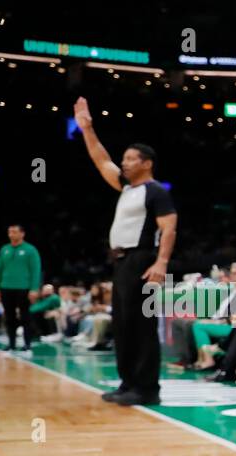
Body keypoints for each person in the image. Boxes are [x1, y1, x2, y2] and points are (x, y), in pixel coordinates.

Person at [74, 97, 177, 406]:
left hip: (143, 260)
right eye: (125, 158)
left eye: (131, 159)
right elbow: (100, 160)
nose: (125, 162)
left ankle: (147, 389)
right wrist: (87, 130)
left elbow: (170, 228)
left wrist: (161, 262)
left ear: (146, 163)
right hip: (122, 261)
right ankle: (128, 383)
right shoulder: (127, 188)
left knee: (142, 326)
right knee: (122, 325)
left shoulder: (156, 191)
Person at [0, 224, 42, 353]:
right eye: (9, 232)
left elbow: (35, 270)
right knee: (9, 317)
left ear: (22, 234)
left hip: (24, 288)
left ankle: (27, 344)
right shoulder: (5, 249)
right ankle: (11, 344)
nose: (11, 235)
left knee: (25, 317)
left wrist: (34, 289)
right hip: (6, 287)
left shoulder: (30, 250)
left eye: (14, 232)